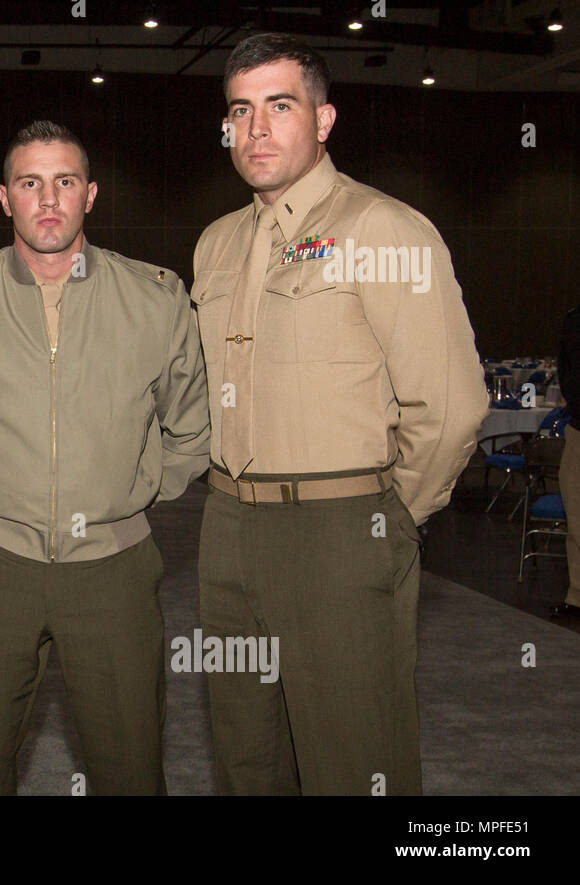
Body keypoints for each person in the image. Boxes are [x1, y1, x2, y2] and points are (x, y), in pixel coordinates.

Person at [192, 33, 487, 795]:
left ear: (324, 120)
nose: (255, 130)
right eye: (240, 111)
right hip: (227, 531)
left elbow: (451, 406)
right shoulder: (216, 244)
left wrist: (391, 522)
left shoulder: (383, 230)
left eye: (279, 106)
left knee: (356, 764)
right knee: (245, 761)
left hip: (340, 531)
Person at [0, 121, 211, 795]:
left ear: (90, 194)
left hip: (112, 572)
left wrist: (130, 494)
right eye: (30, 183)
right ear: (4, 197)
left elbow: (191, 428)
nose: (47, 199)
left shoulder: (155, 298)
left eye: (65, 181)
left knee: (130, 767)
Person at [554, 307, 580, 618]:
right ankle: (576, 597)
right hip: (579, 428)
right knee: (575, 515)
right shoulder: (574, 320)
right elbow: (567, 370)